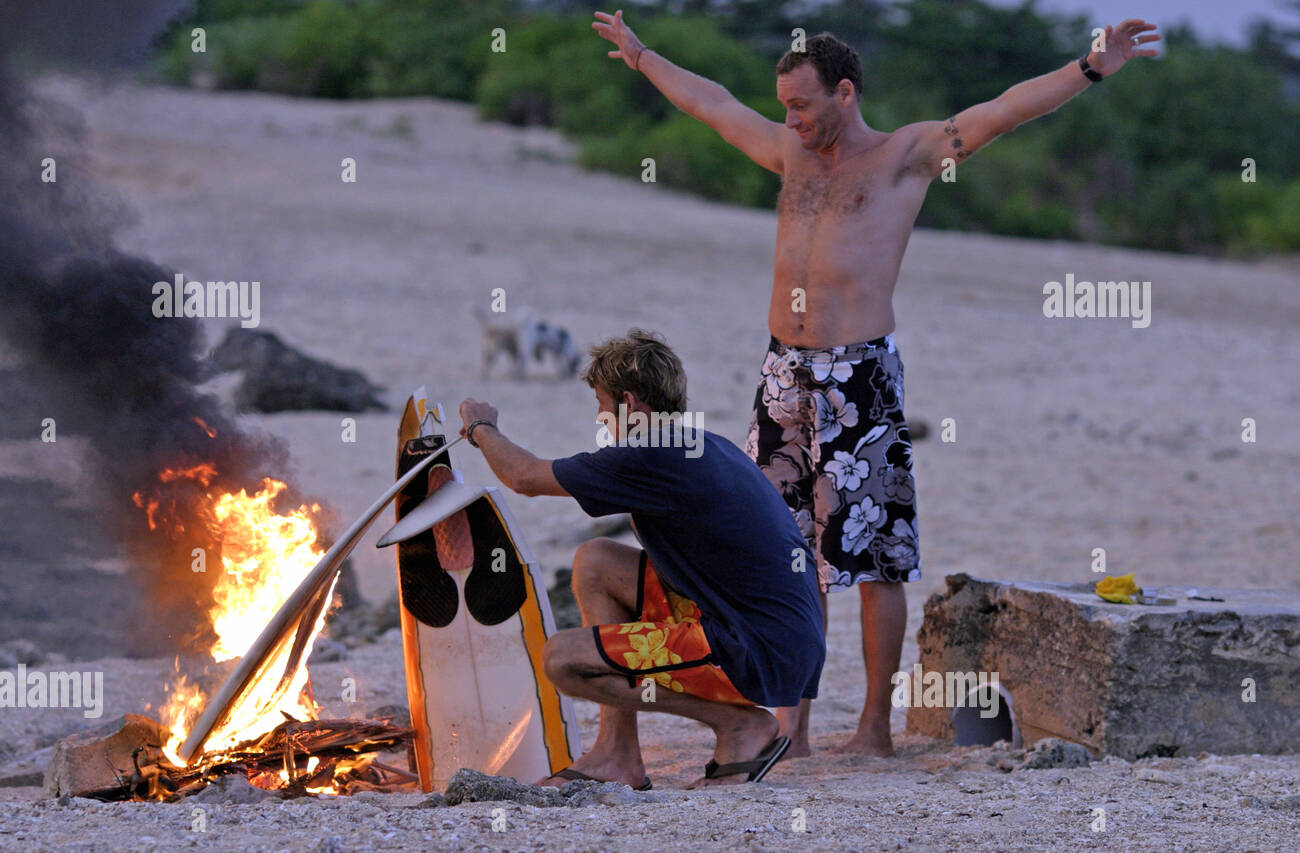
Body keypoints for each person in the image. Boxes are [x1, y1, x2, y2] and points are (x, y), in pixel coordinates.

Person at [592, 9, 1159, 756]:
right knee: (786, 553)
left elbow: (1004, 111)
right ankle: (789, 727)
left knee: (872, 558)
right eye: (784, 104)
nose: (788, 119)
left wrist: (1090, 66)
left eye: (801, 105)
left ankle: (873, 730)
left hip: (858, 376)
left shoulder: (905, 155)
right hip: (781, 372)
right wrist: (642, 57)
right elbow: (713, 103)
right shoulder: (788, 152)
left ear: (846, 92)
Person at [457, 329, 824, 786]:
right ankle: (616, 754)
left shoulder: (650, 455)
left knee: (563, 660)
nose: (600, 417)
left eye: (601, 403)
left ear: (628, 402)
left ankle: (740, 724)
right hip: (781, 638)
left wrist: (480, 427)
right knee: (597, 560)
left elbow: (525, 477)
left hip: (757, 651)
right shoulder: (701, 444)